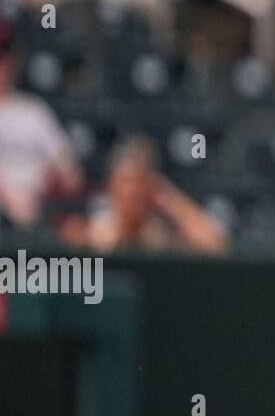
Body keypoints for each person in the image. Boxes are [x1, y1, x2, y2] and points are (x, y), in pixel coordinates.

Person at [0, 20, 82, 232]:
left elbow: (71, 176)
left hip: (41, 218)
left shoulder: (34, 111)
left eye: (3, 55)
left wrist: (52, 182)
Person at [84, 136, 229, 254]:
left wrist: (169, 197)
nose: (134, 192)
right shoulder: (96, 231)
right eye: (126, 182)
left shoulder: (158, 236)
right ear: (112, 186)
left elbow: (215, 244)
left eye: (141, 182)